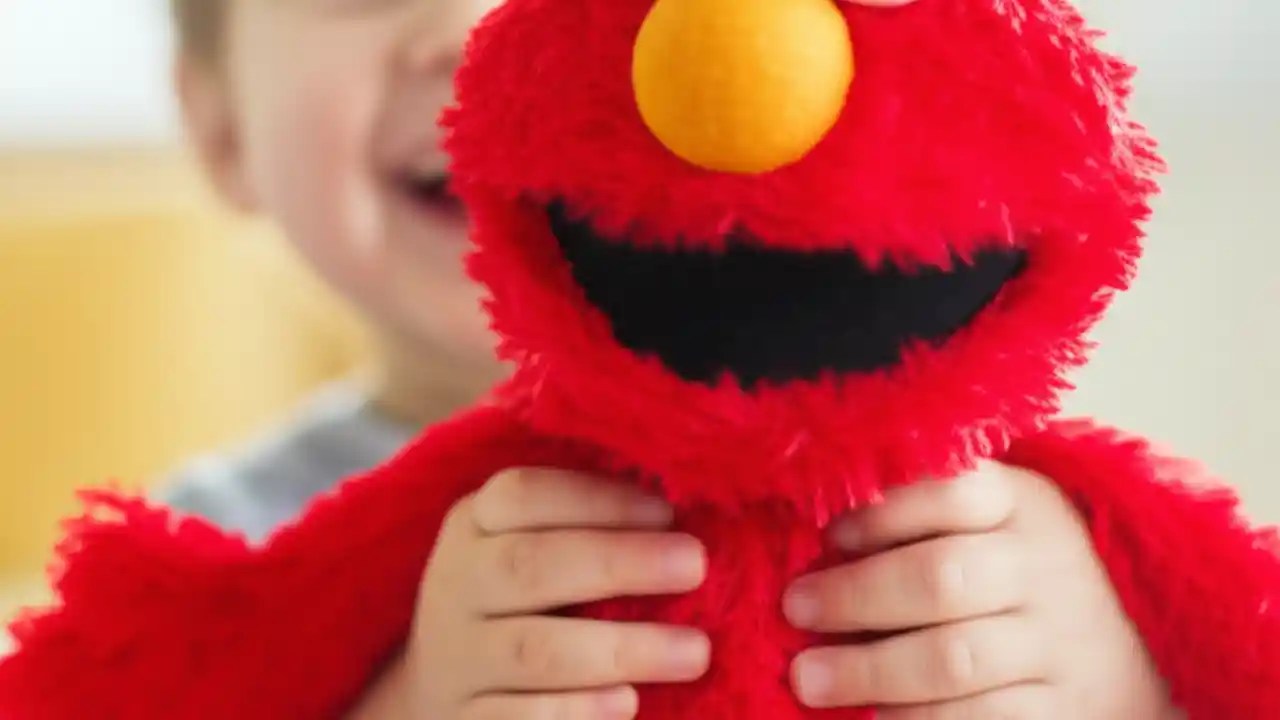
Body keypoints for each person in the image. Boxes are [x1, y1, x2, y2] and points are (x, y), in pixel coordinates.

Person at [163, 0, 1178, 718]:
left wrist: (1125, 687)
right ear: (219, 132)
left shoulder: (1029, 512)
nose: (481, 30)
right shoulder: (213, 555)